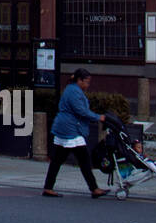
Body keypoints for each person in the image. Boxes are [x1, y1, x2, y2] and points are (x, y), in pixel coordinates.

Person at [42, 68, 109, 198]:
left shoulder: (72, 89)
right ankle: (94, 188)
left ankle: (48, 187)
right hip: (70, 129)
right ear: (79, 80)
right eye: (87, 82)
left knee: (58, 159)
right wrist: (98, 117)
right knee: (83, 159)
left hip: (66, 128)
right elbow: (81, 111)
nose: (88, 85)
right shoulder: (74, 92)